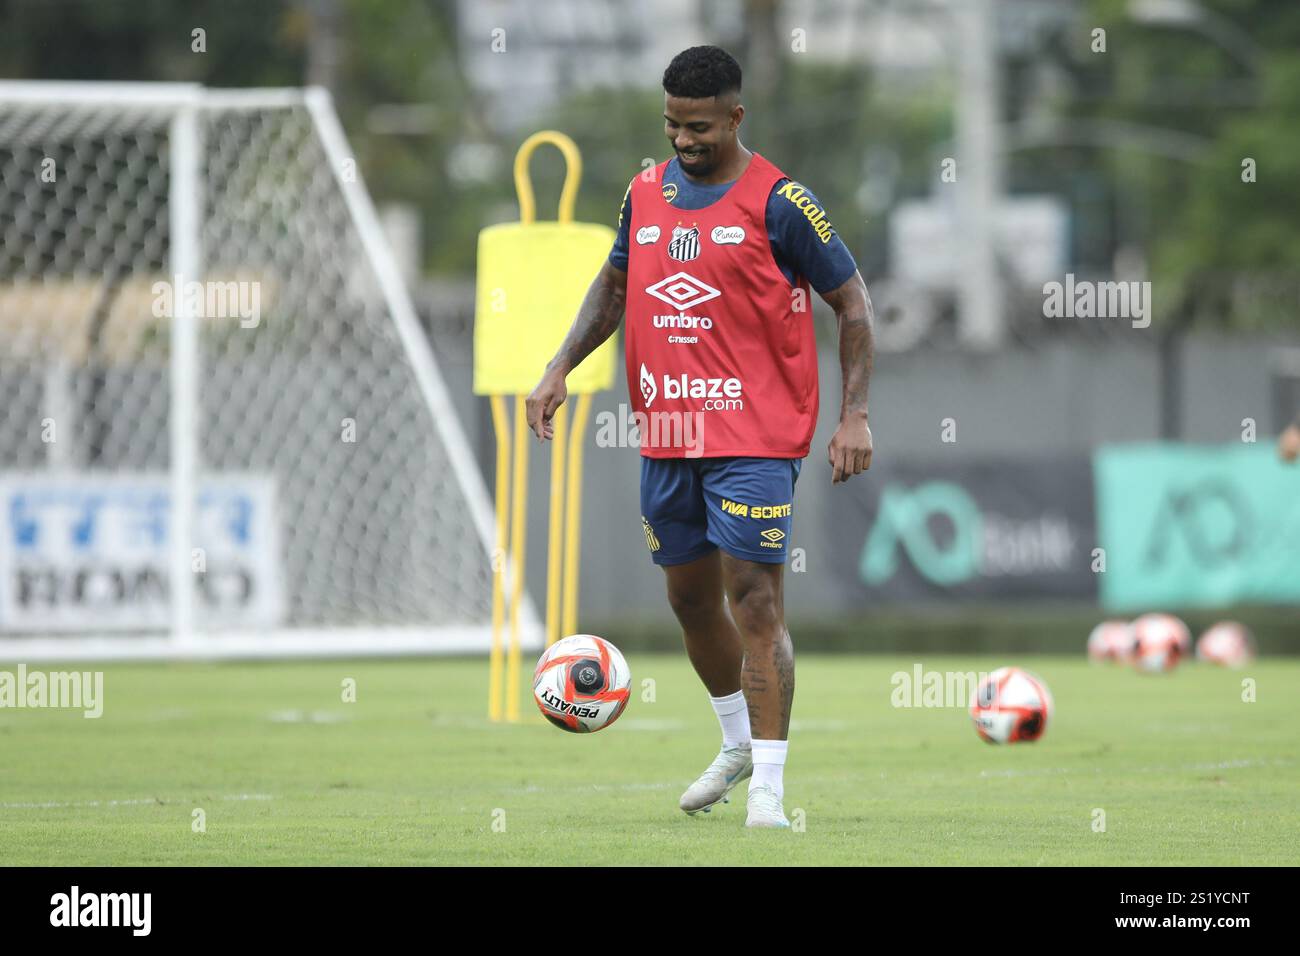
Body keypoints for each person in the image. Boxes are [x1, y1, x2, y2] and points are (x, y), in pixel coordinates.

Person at [526, 45, 874, 828]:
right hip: (667, 431)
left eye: (700, 127)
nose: (683, 140)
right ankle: (736, 742)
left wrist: (854, 414)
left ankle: (773, 797)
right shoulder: (644, 193)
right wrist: (560, 367)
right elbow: (615, 284)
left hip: (754, 434)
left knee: (754, 600)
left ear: (736, 117)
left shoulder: (781, 201)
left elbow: (853, 303)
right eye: (673, 124)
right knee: (689, 599)